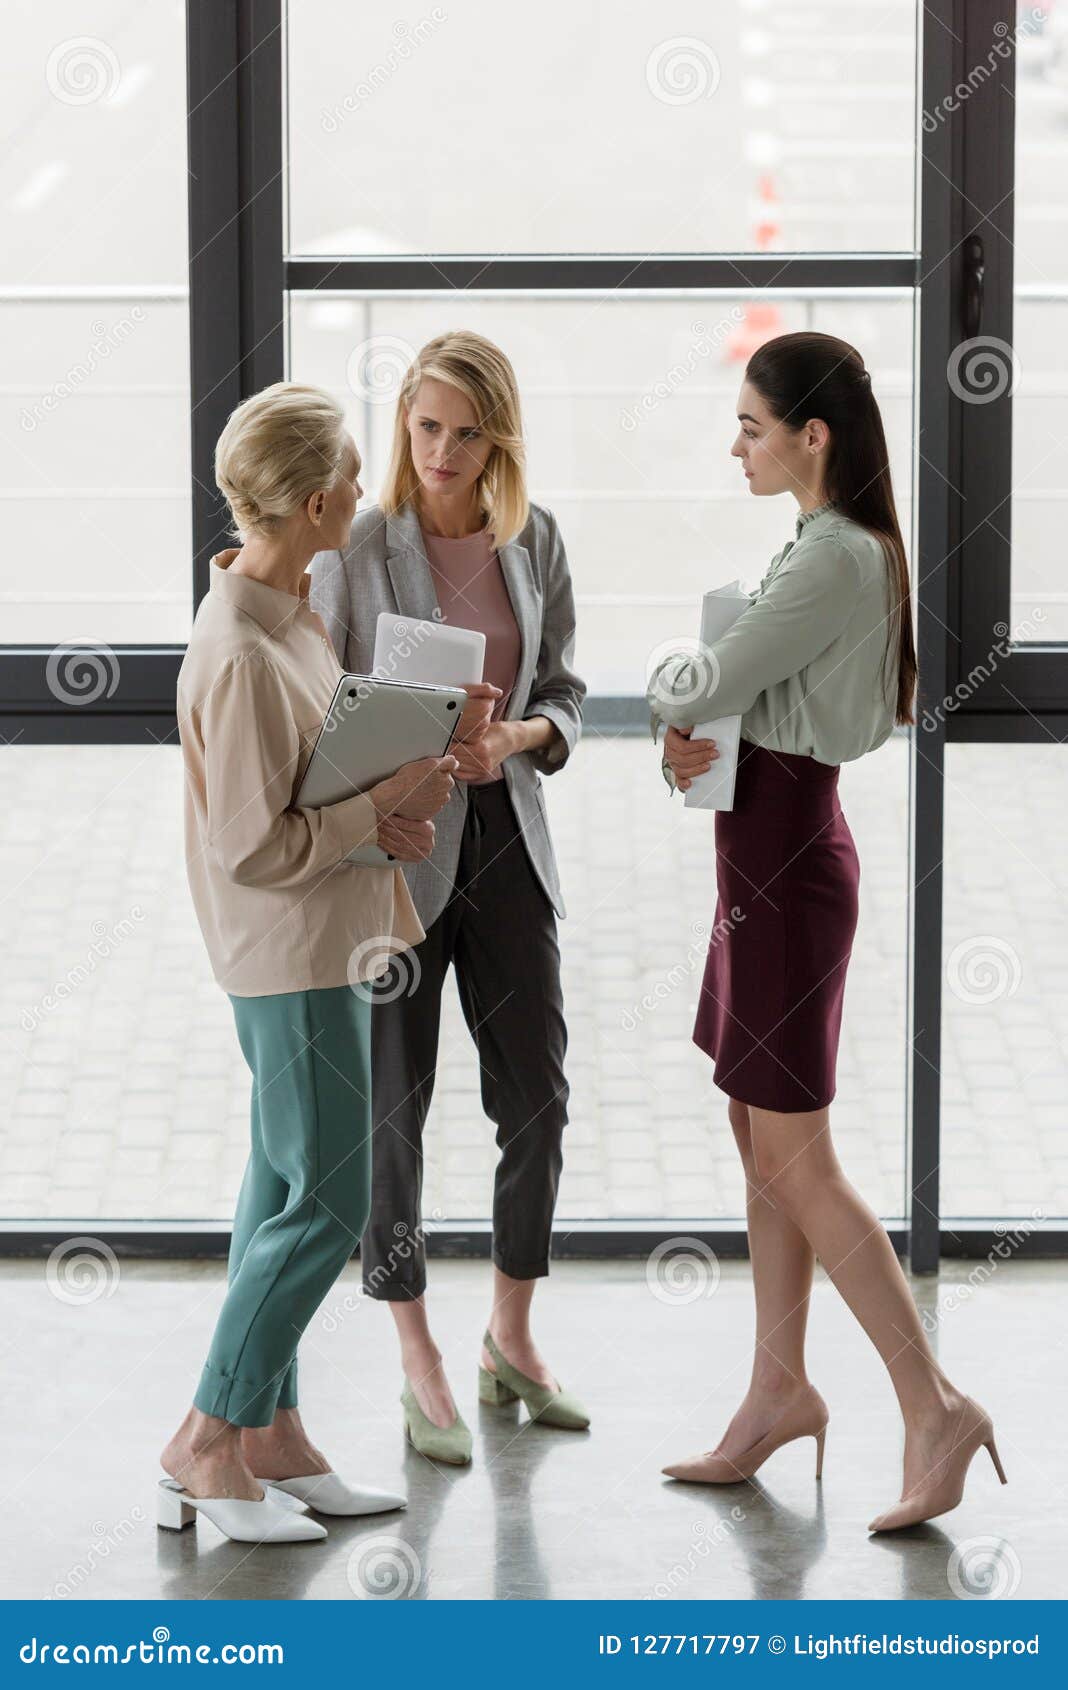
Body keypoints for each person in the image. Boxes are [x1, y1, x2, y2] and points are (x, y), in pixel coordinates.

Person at [649, 332, 1007, 1533]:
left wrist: (683, 701)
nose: (735, 445)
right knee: (759, 1136)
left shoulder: (838, 557)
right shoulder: (815, 545)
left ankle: (936, 1402)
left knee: (801, 1158)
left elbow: (699, 681)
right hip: (761, 854)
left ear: (815, 436)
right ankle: (778, 1387)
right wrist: (700, 720)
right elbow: (725, 700)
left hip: (790, 866)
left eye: (753, 426)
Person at [159, 382, 456, 1543]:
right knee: (331, 1195)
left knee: (283, 1182)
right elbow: (251, 844)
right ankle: (204, 1439)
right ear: (323, 498)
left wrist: (404, 768)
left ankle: (270, 1430)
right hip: (284, 952)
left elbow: (318, 767)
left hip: (329, 936)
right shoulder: (236, 652)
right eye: (352, 468)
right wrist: (374, 811)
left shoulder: (292, 611)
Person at [310, 330, 588, 1464]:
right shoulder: (360, 551)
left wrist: (513, 735)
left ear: (498, 439)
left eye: (469, 433)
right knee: (394, 1116)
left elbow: (564, 693)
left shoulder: (538, 540)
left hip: (507, 845)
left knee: (538, 1100)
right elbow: (320, 706)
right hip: (396, 859)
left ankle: (509, 1337)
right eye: (429, 428)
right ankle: (416, 1350)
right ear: (404, 427)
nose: (445, 452)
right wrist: (406, 747)